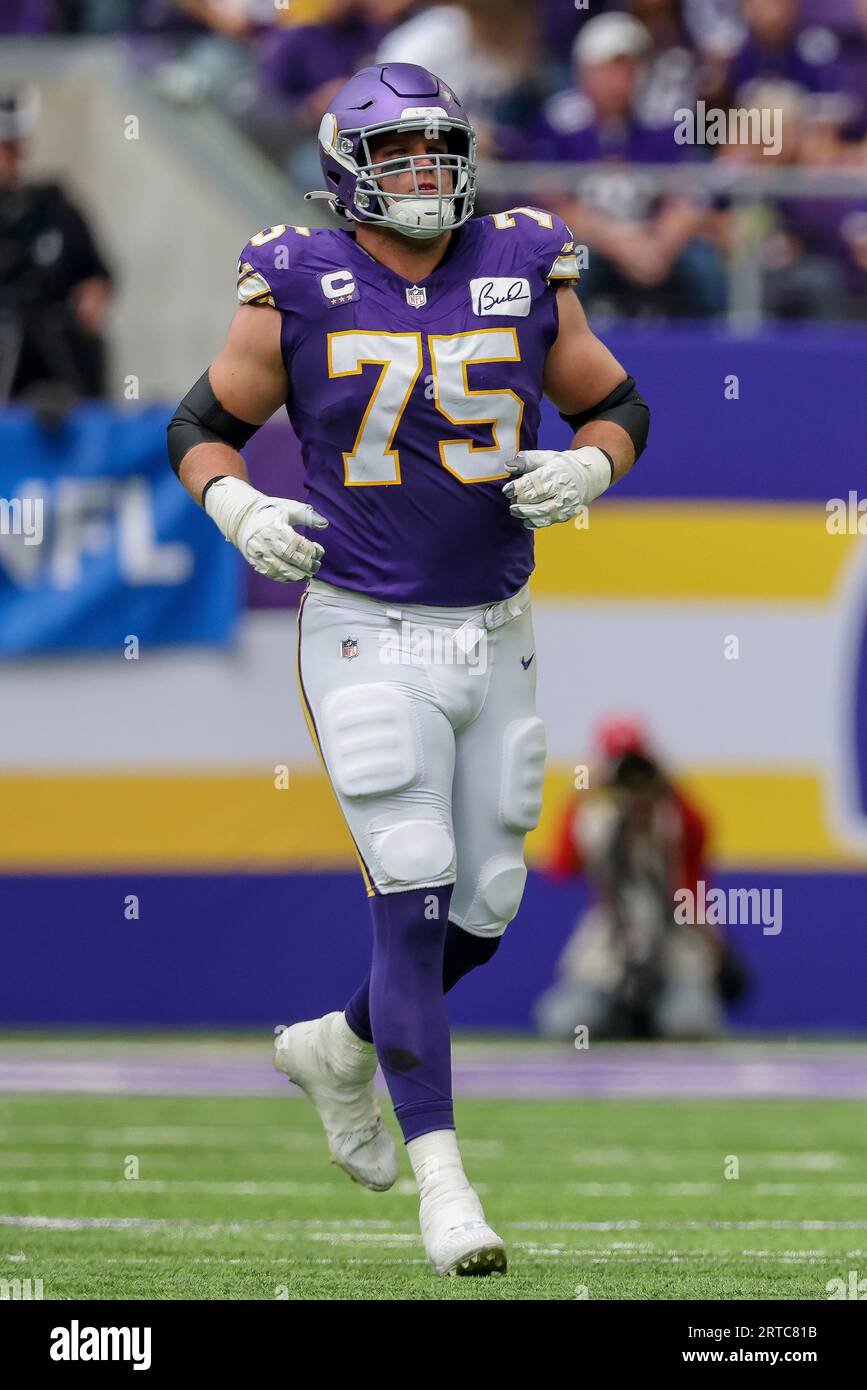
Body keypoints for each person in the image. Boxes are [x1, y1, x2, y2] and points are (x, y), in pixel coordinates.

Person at [167, 62, 650, 1278]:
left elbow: (619, 403)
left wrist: (594, 467)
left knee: (485, 907)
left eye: (442, 151)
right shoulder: (294, 277)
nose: (429, 176)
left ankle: (339, 1043)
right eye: (402, 157)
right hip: (363, 625)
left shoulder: (526, 256)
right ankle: (446, 1185)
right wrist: (234, 508)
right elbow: (196, 428)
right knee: (418, 875)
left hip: (497, 625)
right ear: (346, 172)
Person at [536, 716, 741, 1041]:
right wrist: (586, 789)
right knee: (566, 1022)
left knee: (689, 1025)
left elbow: (700, 836)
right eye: (621, 768)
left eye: (637, 766)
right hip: (612, 944)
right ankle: (622, 1017)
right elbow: (560, 866)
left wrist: (664, 785)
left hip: (673, 942)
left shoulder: (672, 815)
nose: (630, 781)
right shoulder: (594, 817)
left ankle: (651, 1018)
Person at [0, 88, 112, 405]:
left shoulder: (54, 207)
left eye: (8, 148)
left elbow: (97, 270)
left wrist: (95, 290)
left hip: (58, 344)